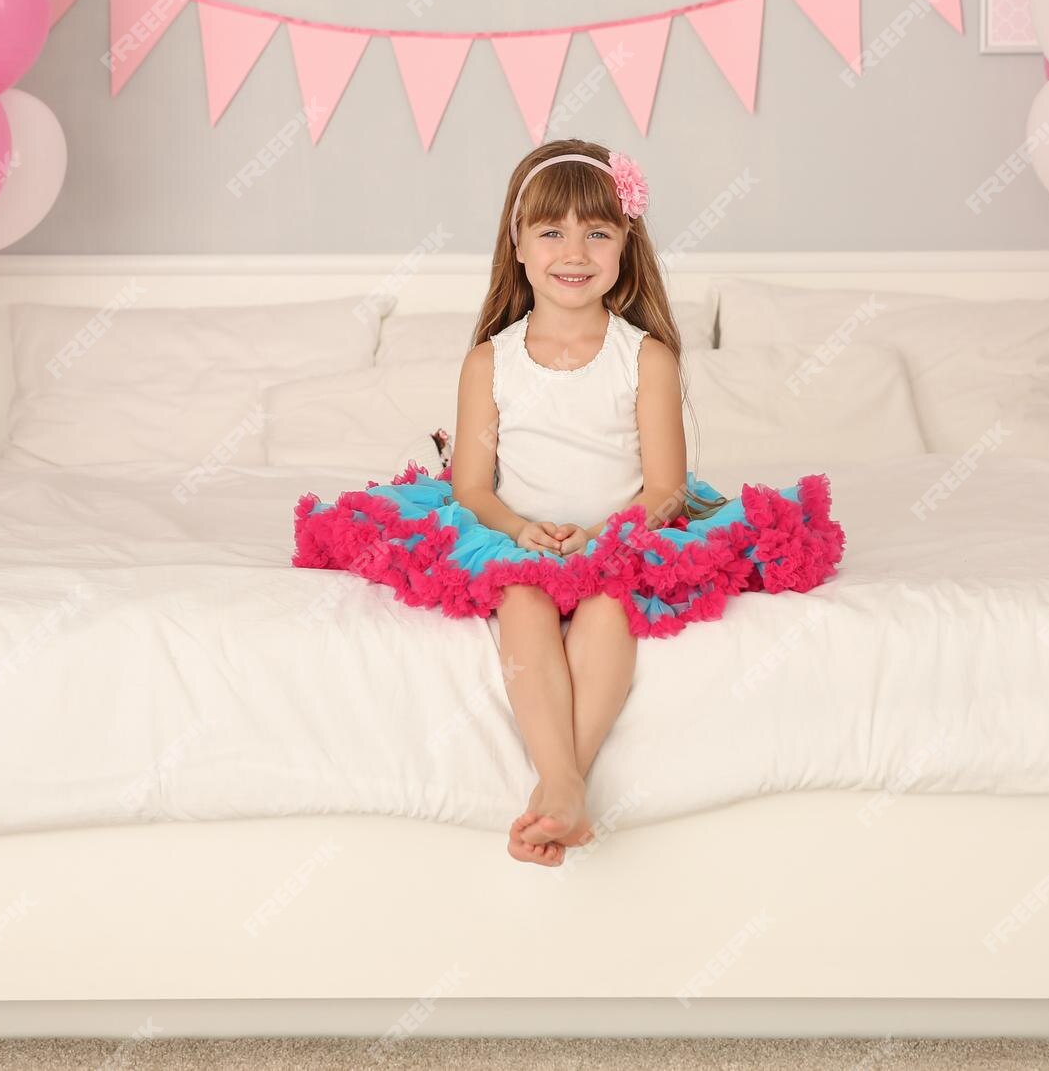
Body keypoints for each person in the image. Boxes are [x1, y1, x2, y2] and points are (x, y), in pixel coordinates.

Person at [291, 140, 846, 867]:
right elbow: (472, 487)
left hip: (618, 537)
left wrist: (597, 536)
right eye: (551, 231)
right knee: (522, 599)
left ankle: (560, 785)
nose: (574, 249)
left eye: (598, 231)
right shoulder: (492, 359)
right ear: (517, 245)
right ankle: (565, 785)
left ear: (625, 246)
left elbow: (666, 488)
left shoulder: (645, 356)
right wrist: (522, 528)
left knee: (609, 605)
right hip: (515, 538)